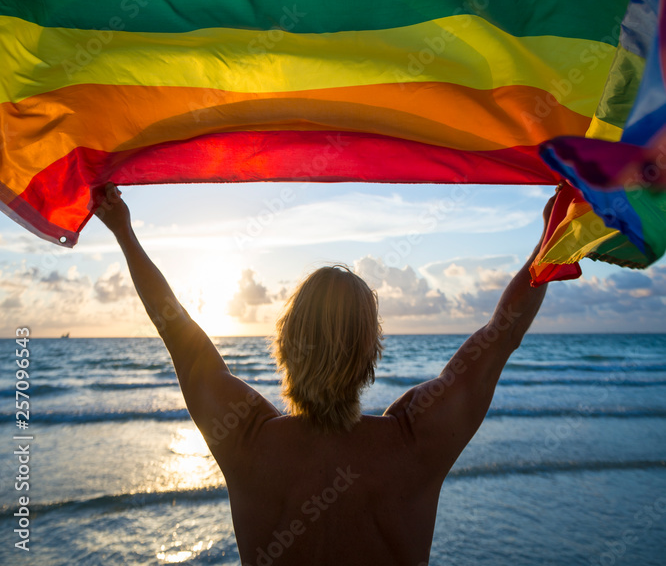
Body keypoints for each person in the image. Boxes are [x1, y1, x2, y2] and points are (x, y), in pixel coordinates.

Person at [96, 182, 556, 566]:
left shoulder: (246, 439)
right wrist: (550, 236)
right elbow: (502, 333)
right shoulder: (416, 440)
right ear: (370, 350)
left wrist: (124, 232)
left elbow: (175, 329)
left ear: (285, 343)